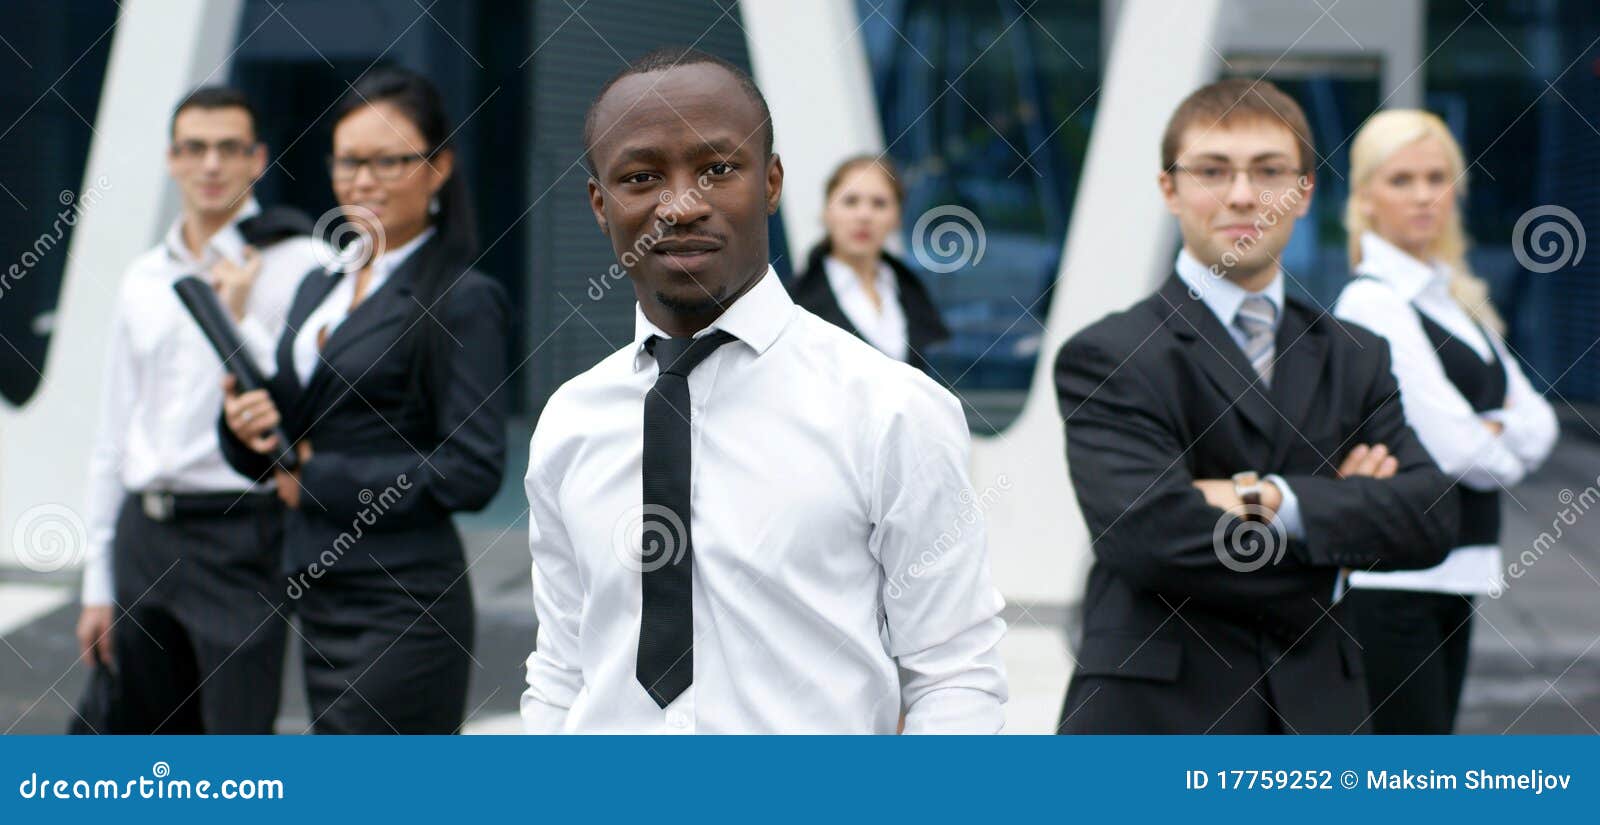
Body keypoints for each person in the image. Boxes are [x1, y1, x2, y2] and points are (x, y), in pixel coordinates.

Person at [520, 48, 1007, 734]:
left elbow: (956, 675)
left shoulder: (891, 409)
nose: (682, 205)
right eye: (641, 176)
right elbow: (563, 666)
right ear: (601, 206)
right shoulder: (569, 422)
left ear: (771, 182)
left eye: (718, 169)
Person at [1053, 78, 1459, 734]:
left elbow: (1431, 517)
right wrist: (1330, 541)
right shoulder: (1110, 353)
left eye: (1269, 171)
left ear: (1304, 192)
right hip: (1155, 717)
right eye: (1213, 170)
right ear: (1169, 189)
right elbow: (1151, 536)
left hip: (1318, 715)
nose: (1242, 195)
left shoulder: (1357, 354)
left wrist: (1267, 497)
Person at [220, 68, 508, 734]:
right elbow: (292, 427)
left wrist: (315, 478)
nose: (363, 179)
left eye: (389, 160)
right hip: (321, 589)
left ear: (439, 168)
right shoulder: (319, 284)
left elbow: (471, 468)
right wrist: (245, 427)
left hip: (402, 600)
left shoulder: (463, 299)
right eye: (349, 160)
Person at [76, 85, 324, 733]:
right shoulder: (144, 277)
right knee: (144, 740)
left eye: (227, 148)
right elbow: (112, 432)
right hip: (145, 536)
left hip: (242, 535)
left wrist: (234, 319)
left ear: (257, 158)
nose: (211, 164)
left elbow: (304, 406)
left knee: (234, 742)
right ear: (172, 159)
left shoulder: (305, 263)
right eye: (195, 148)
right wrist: (97, 582)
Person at [1334, 110, 1557, 734]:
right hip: (1394, 578)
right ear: (1366, 196)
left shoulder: (1456, 298)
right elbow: (1465, 452)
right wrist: (1495, 431)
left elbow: (1538, 422)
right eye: (1401, 179)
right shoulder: (1373, 302)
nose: (1424, 195)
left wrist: (1494, 433)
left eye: (1437, 177)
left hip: (1457, 567)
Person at [787, 155, 948, 373]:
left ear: (897, 217)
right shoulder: (793, 302)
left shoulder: (913, 293)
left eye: (879, 203)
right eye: (850, 201)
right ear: (827, 212)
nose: (864, 215)